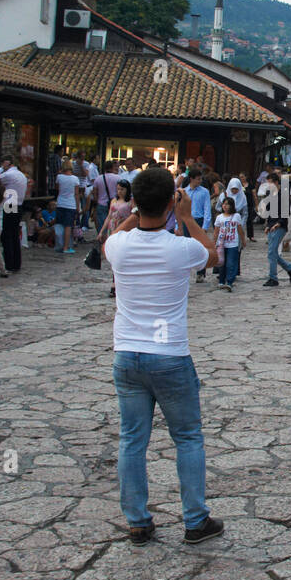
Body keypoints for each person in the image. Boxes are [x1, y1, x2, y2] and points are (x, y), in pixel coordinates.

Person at [103, 168, 223, 545]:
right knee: (187, 437)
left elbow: (111, 237)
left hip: (127, 352)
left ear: (135, 201)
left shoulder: (119, 248)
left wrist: (137, 212)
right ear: (172, 201)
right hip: (169, 354)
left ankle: (138, 520)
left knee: (131, 439)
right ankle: (194, 519)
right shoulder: (180, 247)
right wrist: (186, 217)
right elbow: (213, 256)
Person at [98, 179, 135, 298]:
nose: (119, 191)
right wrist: (101, 231)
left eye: (122, 189)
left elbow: (134, 217)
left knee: (122, 257)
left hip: (124, 230)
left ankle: (119, 283)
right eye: (118, 189)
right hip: (112, 229)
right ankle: (115, 283)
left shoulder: (131, 202)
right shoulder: (114, 200)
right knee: (114, 257)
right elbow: (109, 217)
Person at [261, 170, 291, 287]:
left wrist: (279, 224)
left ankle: (273, 278)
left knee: (271, 252)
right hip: (271, 226)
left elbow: (285, 212)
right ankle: (290, 268)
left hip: (280, 226)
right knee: (273, 252)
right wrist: (267, 225)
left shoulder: (283, 195)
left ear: (276, 182)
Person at [0, 155, 31, 272]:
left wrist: (2, 168)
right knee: (14, 235)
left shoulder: (8, 175)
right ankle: (16, 263)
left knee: (7, 235)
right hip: (18, 205)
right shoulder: (21, 175)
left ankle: (9, 264)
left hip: (9, 205)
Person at [185, 168, 214, 282]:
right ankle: (185, 270)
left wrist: (205, 225)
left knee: (201, 247)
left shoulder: (204, 191)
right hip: (187, 220)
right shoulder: (184, 191)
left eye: (201, 179)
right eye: (198, 179)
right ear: (191, 179)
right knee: (186, 246)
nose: (200, 181)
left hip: (199, 220)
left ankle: (201, 273)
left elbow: (207, 208)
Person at [213, 197, 247, 290]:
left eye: (227, 204)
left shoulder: (236, 216)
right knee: (222, 263)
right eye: (224, 204)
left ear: (232, 206)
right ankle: (221, 281)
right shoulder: (219, 217)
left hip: (233, 243)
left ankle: (230, 281)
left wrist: (243, 240)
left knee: (231, 263)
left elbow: (240, 230)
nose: (225, 206)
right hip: (221, 244)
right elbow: (216, 231)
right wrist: (214, 243)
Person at [54, 158, 82, 254]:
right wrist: (78, 206)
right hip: (71, 205)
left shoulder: (59, 177)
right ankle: (66, 247)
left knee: (59, 225)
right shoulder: (75, 179)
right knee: (68, 227)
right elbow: (76, 194)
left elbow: (57, 188)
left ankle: (59, 245)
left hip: (60, 203)